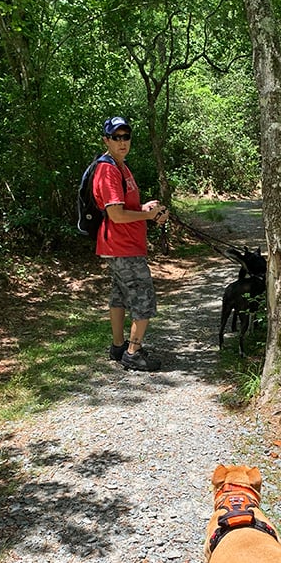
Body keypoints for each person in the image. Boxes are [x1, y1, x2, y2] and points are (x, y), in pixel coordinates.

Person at [92, 116, 169, 372]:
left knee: (119, 295)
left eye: (126, 137)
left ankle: (118, 346)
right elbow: (116, 214)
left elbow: (127, 208)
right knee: (142, 296)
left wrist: (146, 208)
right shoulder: (109, 170)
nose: (122, 142)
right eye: (116, 137)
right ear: (106, 140)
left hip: (120, 245)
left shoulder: (120, 166)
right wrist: (147, 216)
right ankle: (133, 353)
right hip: (122, 246)